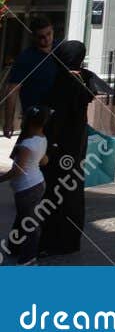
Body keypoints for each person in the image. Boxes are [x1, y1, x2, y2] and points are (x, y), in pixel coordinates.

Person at [40, 41, 104, 257]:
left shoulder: (63, 80)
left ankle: (52, 240)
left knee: (54, 189)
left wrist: (48, 144)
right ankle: (70, 239)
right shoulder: (85, 78)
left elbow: (56, 114)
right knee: (73, 190)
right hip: (77, 144)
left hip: (59, 144)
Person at [2, 105, 50, 266]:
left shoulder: (26, 144)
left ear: (27, 122)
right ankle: (17, 249)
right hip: (36, 184)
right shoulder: (42, 138)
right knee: (27, 220)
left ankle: (28, 259)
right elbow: (45, 160)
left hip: (27, 188)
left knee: (30, 224)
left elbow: (17, 171)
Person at [5, 17, 58, 119]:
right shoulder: (25, 58)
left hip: (58, 114)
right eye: (41, 37)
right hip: (34, 116)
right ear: (33, 37)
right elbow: (12, 90)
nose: (46, 39)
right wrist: (8, 121)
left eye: (49, 34)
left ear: (52, 30)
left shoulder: (62, 49)